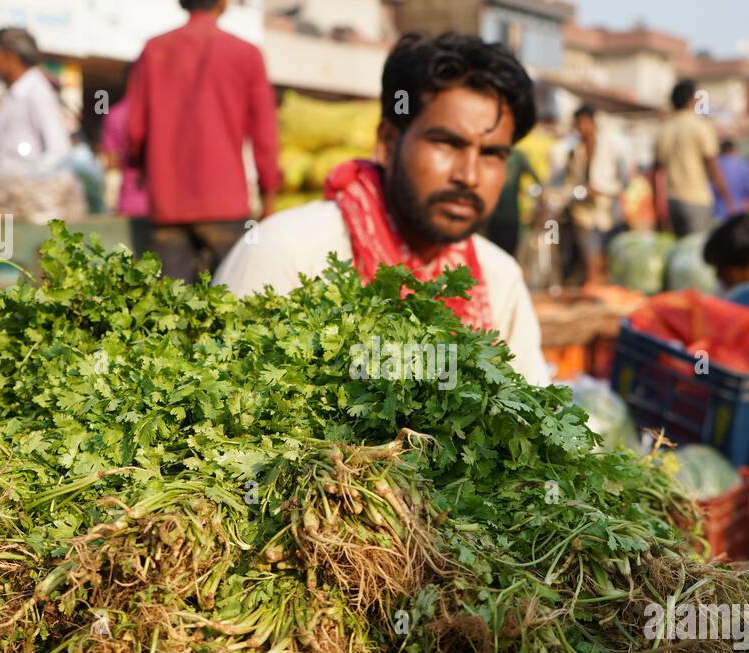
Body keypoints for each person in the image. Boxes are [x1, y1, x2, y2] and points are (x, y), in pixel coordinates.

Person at [214, 32, 550, 387]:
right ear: (388, 143)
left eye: (491, 154)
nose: (468, 176)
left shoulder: (499, 279)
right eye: (447, 143)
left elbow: (532, 416)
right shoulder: (289, 252)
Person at [125, 0, 280, 283]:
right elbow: (265, 136)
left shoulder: (154, 49)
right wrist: (269, 196)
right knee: (232, 305)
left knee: (170, 309)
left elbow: (134, 131)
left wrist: (143, 170)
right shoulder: (246, 53)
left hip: (168, 205)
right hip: (226, 204)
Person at [0, 28, 74, 176]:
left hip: (28, 191)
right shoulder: (11, 93)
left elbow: (59, 151)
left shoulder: (37, 92)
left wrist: (32, 182)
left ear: (11, 56)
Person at [555, 105, 627, 285]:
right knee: (591, 257)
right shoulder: (574, 152)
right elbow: (570, 183)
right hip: (583, 211)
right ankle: (593, 290)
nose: (582, 128)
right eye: (578, 124)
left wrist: (602, 189)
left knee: (606, 258)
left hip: (607, 210)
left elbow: (624, 181)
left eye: (585, 123)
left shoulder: (611, 148)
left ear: (593, 123)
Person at [655, 79, 730, 237]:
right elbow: (712, 166)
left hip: (672, 200)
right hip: (696, 198)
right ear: (692, 100)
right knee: (695, 251)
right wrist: (727, 199)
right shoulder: (700, 126)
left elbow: (657, 169)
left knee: (681, 249)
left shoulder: (663, 129)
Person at [99, 95, 152, 256]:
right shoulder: (161, 110)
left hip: (128, 204)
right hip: (159, 207)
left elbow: (112, 162)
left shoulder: (115, 114)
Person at [482, 146, 539, 258]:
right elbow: (535, 178)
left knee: (492, 251)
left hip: (496, 213)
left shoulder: (492, 153)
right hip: (506, 213)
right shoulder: (518, 156)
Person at [713, 139, 749, 219]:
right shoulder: (744, 164)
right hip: (740, 210)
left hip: (718, 212)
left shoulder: (714, 167)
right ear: (734, 149)